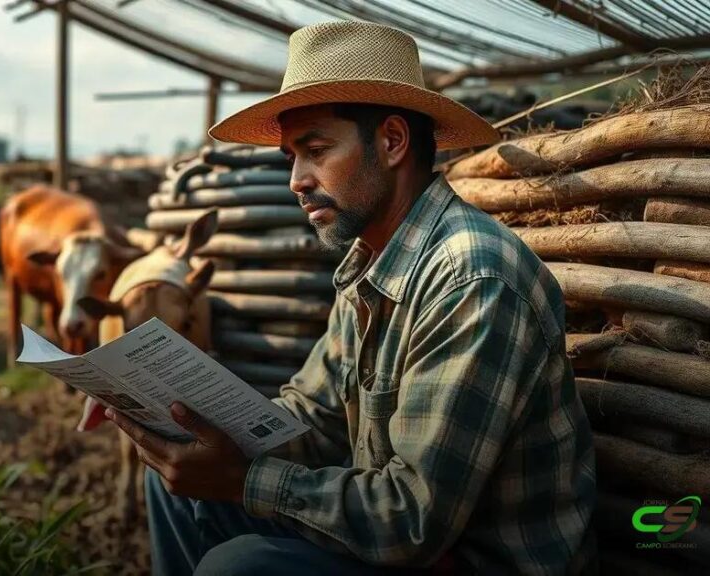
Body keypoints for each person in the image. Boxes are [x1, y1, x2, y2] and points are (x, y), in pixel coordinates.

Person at [105, 21, 597, 575]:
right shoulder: (369, 264)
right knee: (177, 485)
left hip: (467, 560)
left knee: (241, 566)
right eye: (293, 155)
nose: (296, 179)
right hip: (402, 546)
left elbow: (414, 521)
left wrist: (244, 480)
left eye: (315, 150)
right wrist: (174, 415)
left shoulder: (472, 280)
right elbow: (310, 421)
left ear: (391, 142)